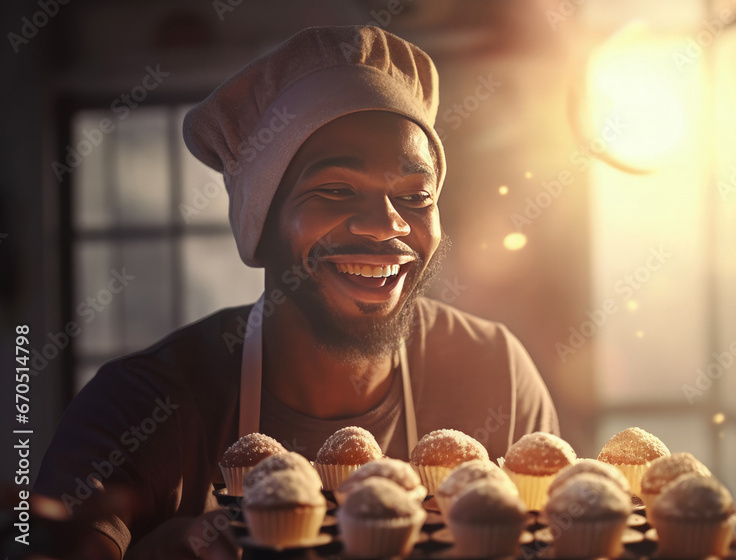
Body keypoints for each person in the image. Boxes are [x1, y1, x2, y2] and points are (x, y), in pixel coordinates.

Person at [33, 26, 558, 559]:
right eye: (334, 189)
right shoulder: (143, 404)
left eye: (415, 195)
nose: (385, 225)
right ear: (263, 223)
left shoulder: (498, 374)